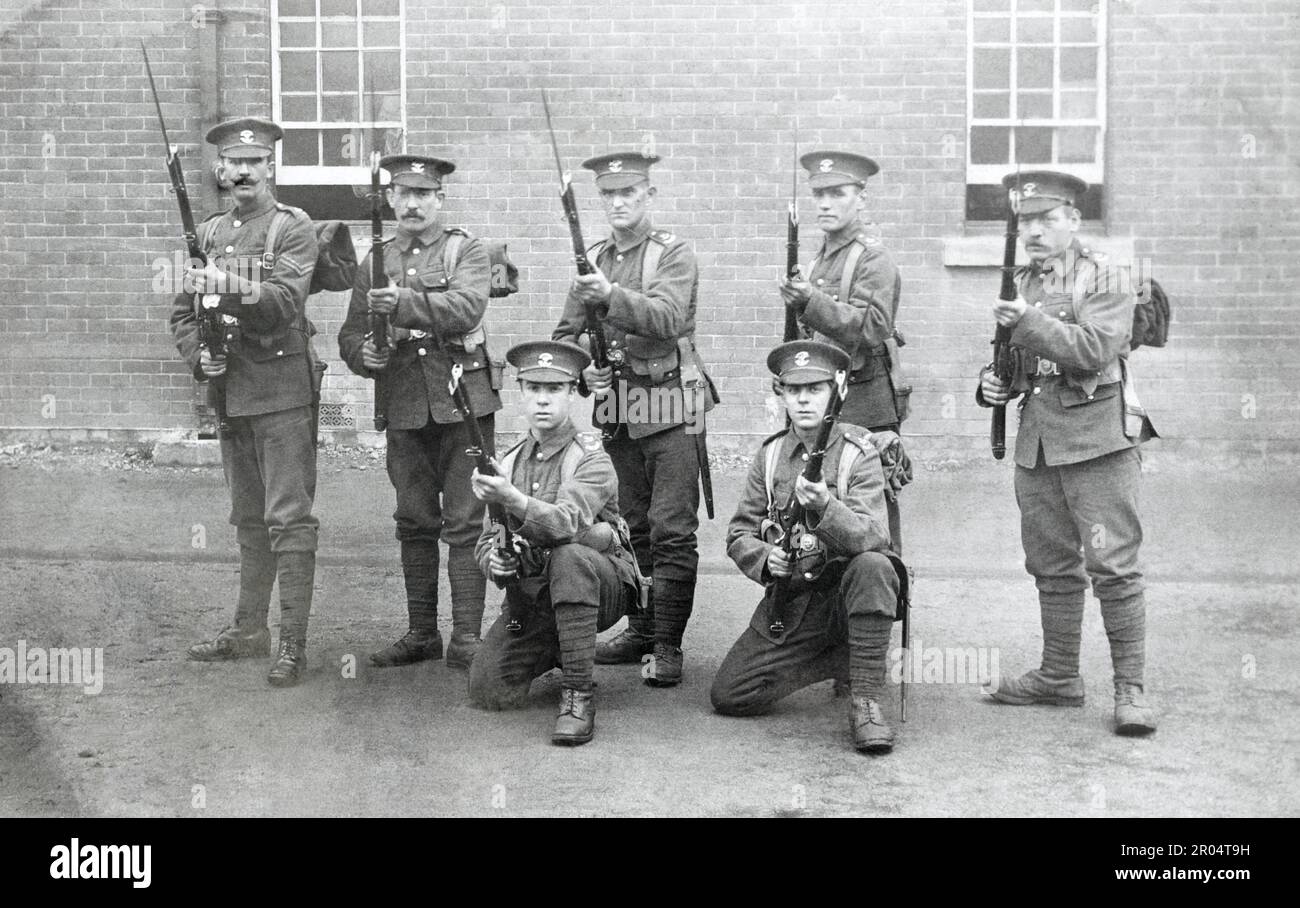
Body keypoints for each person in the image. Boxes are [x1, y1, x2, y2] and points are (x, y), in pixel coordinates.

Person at [977, 170, 1157, 736]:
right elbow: (1014, 359)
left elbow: (1096, 348)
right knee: (1051, 565)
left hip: (1098, 439)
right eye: (1024, 220)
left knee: (1114, 566)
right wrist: (991, 384)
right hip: (1040, 442)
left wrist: (1026, 323)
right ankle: (1059, 676)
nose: (1032, 230)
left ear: (1073, 221)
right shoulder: (1024, 280)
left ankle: (1130, 690)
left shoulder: (1106, 275)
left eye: (1045, 219)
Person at [551, 151, 714, 687]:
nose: (618, 203)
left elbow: (668, 318)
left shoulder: (672, 254)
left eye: (629, 193)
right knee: (633, 526)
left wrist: (611, 296)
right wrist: (582, 375)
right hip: (618, 411)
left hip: (669, 407)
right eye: (609, 194)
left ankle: (667, 644)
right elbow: (563, 338)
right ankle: (642, 630)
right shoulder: (592, 259)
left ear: (649, 196)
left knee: (671, 530)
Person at [171, 117, 321, 687]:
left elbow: (282, 302)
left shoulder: (291, 228)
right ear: (220, 170)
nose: (242, 172)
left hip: (282, 393)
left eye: (254, 163)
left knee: (288, 517)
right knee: (247, 517)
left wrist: (224, 280)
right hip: (231, 394)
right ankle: (248, 629)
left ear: (270, 168)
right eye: (233, 163)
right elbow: (184, 313)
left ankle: (292, 644)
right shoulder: (208, 233)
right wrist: (199, 357)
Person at [338, 154, 500, 671]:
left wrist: (401, 302)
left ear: (439, 199)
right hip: (405, 405)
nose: (411, 203)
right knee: (414, 520)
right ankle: (422, 632)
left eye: (423, 194)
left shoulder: (464, 249)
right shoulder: (375, 261)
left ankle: (468, 638)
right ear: (389, 199)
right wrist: (363, 355)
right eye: (402, 194)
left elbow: (468, 307)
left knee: (467, 520)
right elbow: (349, 332)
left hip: (464, 406)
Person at [710, 341, 906, 754]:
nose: (803, 399)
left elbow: (874, 536)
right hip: (797, 602)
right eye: (794, 390)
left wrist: (826, 507)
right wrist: (766, 559)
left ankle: (866, 699)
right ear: (780, 392)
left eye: (814, 389)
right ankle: (840, 658)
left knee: (875, 564)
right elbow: (739, 533)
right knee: (731, 694)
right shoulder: (769, 456)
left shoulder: (859, 451)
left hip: (850, 592)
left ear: (834, 392)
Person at [466, 341, 640, 746]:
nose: (543, 400)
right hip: (536, 593)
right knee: (488, 690)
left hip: (601, 586)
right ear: (521, 393)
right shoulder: (507, 461)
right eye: (533, 389)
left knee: (569, 555)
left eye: (555, 390)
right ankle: (560, 644)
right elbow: (486, 538)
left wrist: (512, 499)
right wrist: (495, 560)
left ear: (571, 393)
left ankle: (578, 694)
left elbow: (565, 523)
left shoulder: (591, 457)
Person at [780, 150, 908, 552]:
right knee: (817, 504)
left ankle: (880, 599)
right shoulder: (820, 258)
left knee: (869, 513)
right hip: (822, 399)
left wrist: (811, 301)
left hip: (864, 403)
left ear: (861, 198)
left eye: (837, 193)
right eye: (819, 194)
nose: (825, 203)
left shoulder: (873, 257)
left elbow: (873, 327)